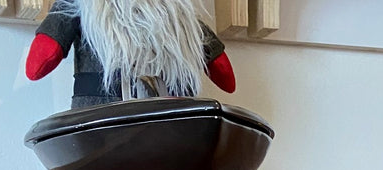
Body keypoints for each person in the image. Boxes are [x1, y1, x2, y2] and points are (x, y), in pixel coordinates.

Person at [25, 0, 236, 108]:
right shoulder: (83, 6)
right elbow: (42, 57)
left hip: (172, 127)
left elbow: (222, 71)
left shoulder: (179, 14)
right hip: (103, 125)